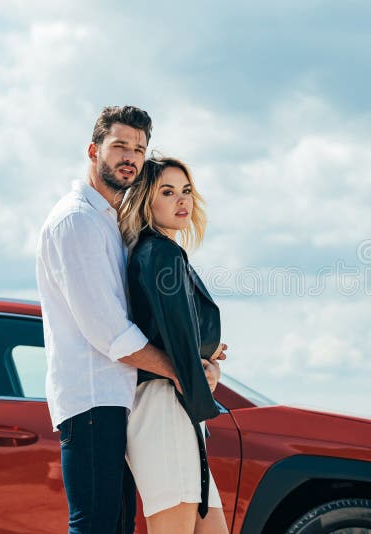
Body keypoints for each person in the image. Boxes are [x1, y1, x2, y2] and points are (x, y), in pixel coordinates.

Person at [36, 106, 197, 533]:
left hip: (114, 400)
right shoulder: (78, 222)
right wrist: (179, 369)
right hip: (92, 401)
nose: (130, 156)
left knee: (116, 526)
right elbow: (110, 332)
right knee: (96, 527)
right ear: (94, 150)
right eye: (120, 145)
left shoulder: (109, 223)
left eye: (138, 149)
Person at [119, 155, 229, 534]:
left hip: (175, 407)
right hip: (165, 408)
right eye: (168, 192)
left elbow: (180, 336)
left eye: (186, 191)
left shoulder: (155, 253)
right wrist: (204, 376)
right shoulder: (160, 253)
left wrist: (205, 359)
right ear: (147, 201)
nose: (182, 200)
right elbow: (181, 340)